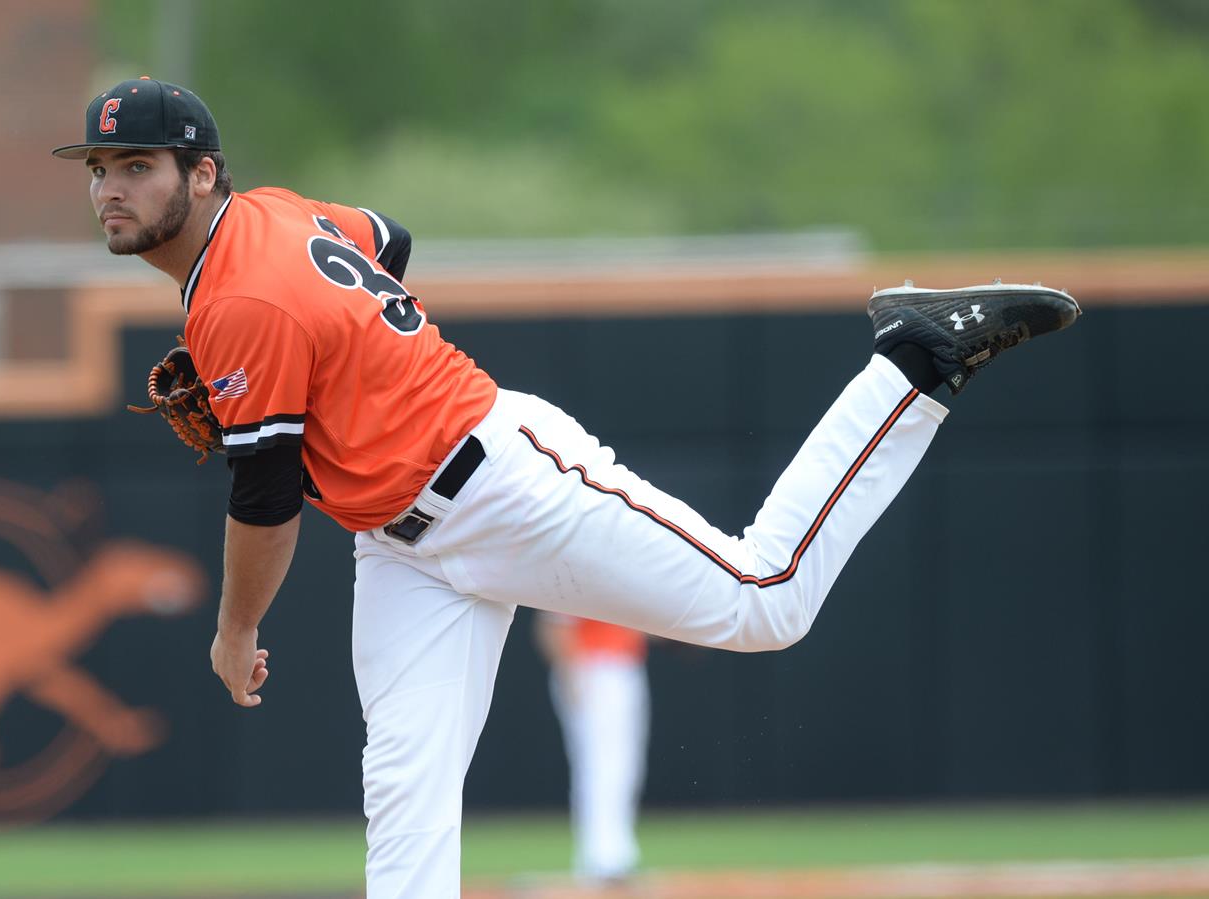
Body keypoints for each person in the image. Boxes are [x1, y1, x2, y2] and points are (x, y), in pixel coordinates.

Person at [52, 77, 1080, 898]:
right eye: (99, 168)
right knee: (406, 797)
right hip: (400, 540)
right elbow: (384, 239)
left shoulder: (241, 299)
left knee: (764, 597)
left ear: (202, 174)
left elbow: (266, 496)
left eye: (137, 166)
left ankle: (912, 359)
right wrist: (359, 362)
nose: (111, 188)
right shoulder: (274, 219)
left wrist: (235, 631)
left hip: (501, 482)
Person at [535, 614, 650, 886]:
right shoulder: (577, 574)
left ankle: (617, 854)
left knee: (625, 768)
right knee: (600, 767)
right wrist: (571, 672)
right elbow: (552, 626)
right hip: (593, 668)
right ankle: (599, 859)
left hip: (625, 666)